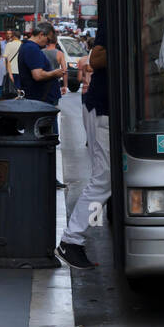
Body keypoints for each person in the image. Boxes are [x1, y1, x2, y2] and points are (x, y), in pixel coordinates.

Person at [56, 25, 109, 270]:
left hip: (109, 109)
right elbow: (94, 59)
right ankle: (71, 239)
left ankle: (73, 239)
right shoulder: (113, 26)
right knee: (103, 178)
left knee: (106, 177)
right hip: (103, 109)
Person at [17, 22, 66, 102]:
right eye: (48, 39)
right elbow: (38, 75)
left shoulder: (29, 47)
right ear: (41, 35)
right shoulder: (32, 48)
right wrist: (55, 73)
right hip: (40, 100)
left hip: (39, 99)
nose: (48, 43)